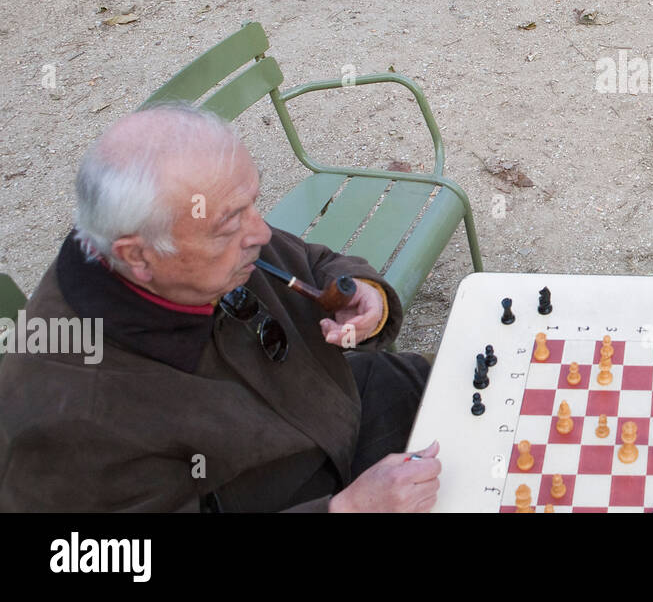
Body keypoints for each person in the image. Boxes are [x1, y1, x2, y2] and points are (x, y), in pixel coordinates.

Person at [0, 104, 442, 512]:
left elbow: (314, 264)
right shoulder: (69, 421)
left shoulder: (201, 237)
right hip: (290, 495)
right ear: (137, 256)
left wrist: (363, 294)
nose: (260, 232)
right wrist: (347, 509)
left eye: (252, 203)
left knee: (477, 403)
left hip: (338, 409)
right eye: (231, 222)